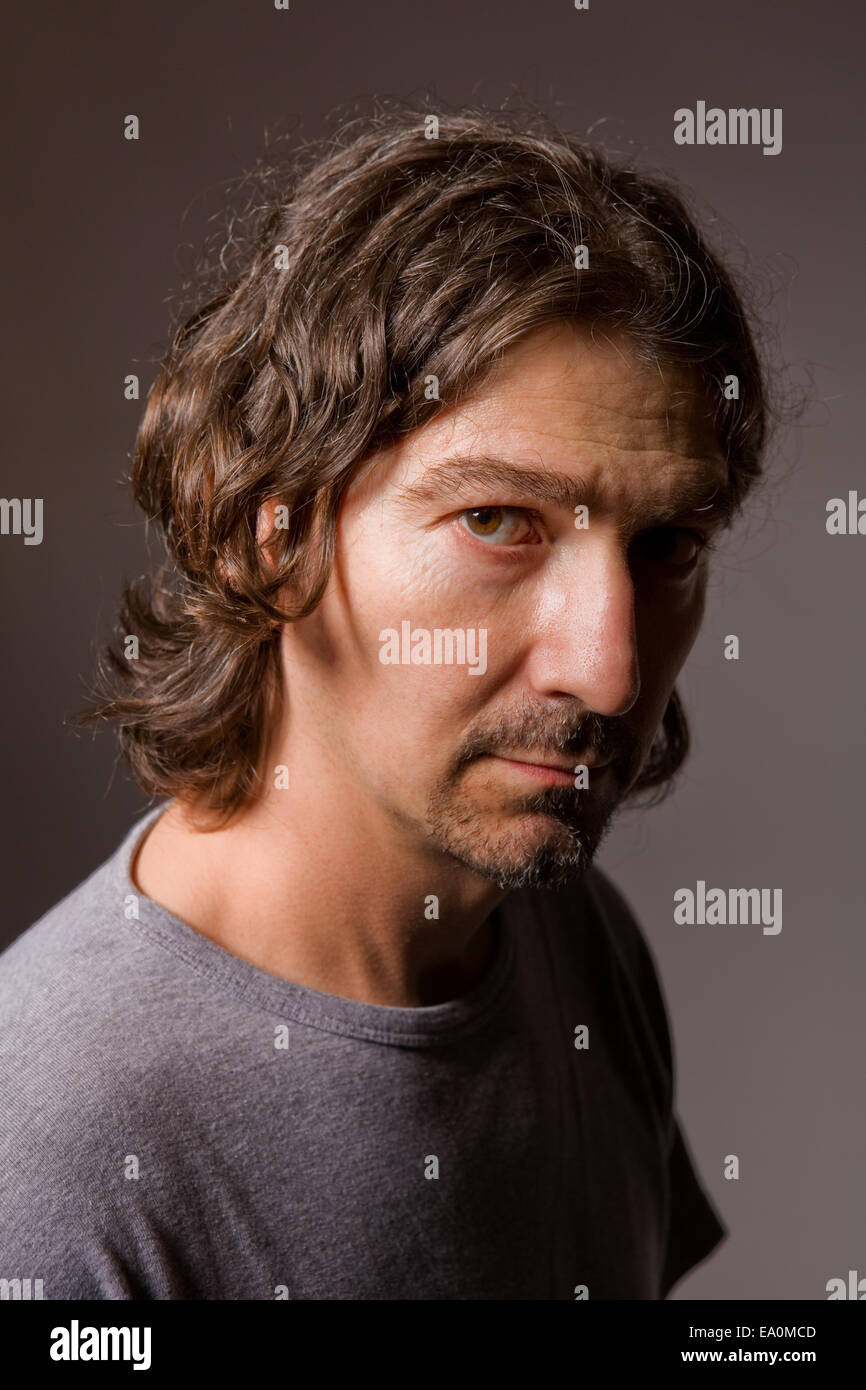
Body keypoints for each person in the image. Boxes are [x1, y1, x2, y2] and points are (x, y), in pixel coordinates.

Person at [0, 107, 767, 1300]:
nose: (609, 673)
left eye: (665, 543)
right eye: (498, 522)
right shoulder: (49, 1154)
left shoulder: (571, 941)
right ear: (272, 529)